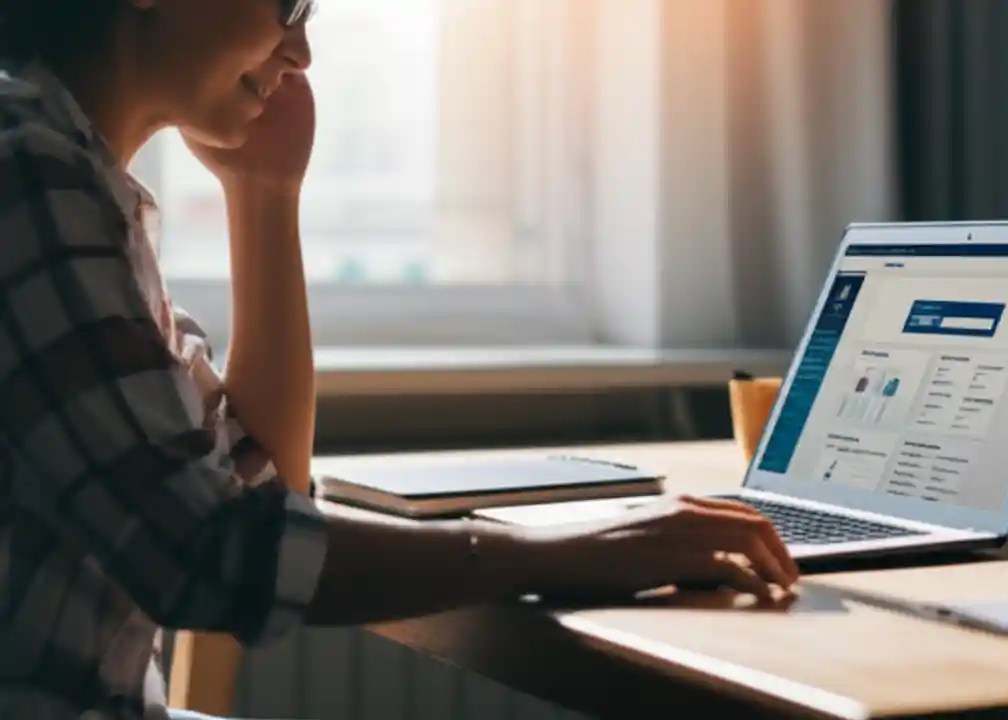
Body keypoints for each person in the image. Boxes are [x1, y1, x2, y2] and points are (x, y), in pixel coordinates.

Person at [0, 1, 800, 718]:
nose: (300, 53)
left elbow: (265, 485)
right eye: (288, 5)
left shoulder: (81, 191)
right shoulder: (29, 176)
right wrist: (576, 553)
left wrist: (265, 194)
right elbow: (208, 555)